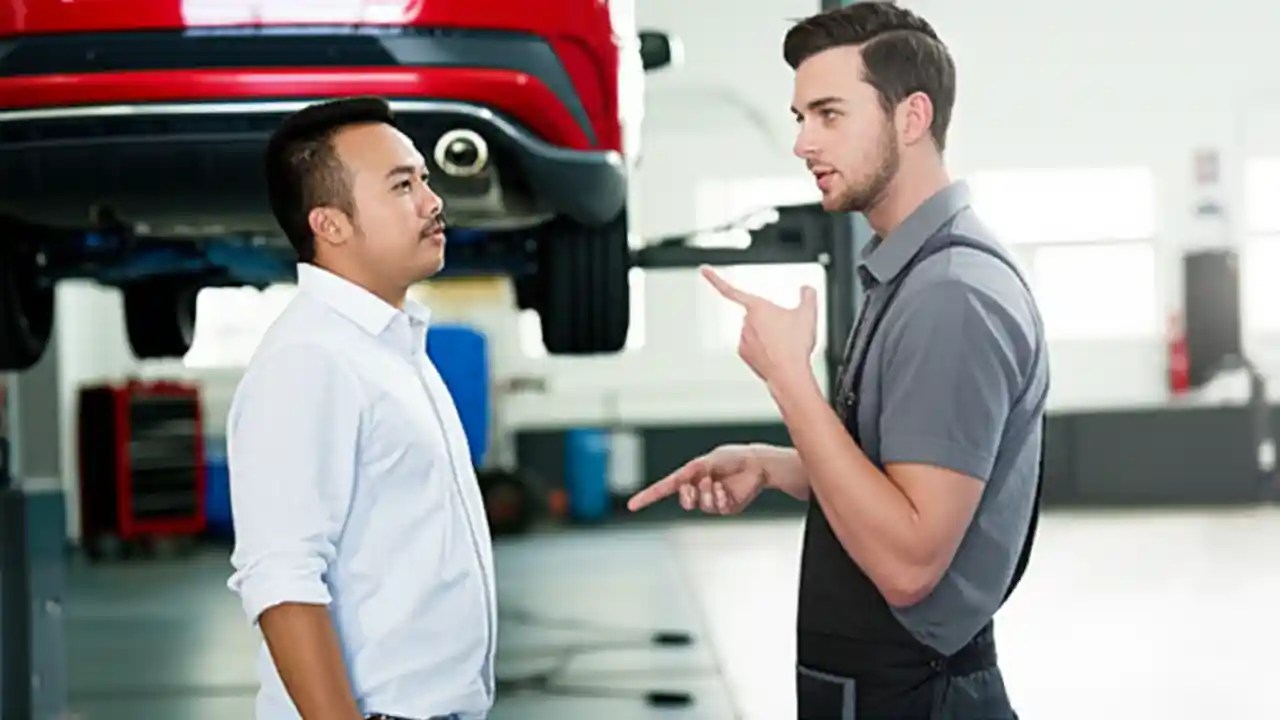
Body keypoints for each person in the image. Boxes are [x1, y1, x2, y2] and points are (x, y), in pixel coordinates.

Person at [627, 4, 1048, 719]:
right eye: (800, 118)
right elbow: (894, 476)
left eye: (828, 115)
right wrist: (772, 465)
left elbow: (909, 563)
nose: (802, 143)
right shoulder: (913, 274)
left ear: (912, 117)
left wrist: (789, 379)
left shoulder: (951, 296)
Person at [225, 97, 497, 720]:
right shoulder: (309, 360)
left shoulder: (390, 346)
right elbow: (282, 579)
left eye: (424, 180)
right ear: (330, 225)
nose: (433, 202)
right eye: (402, 186)